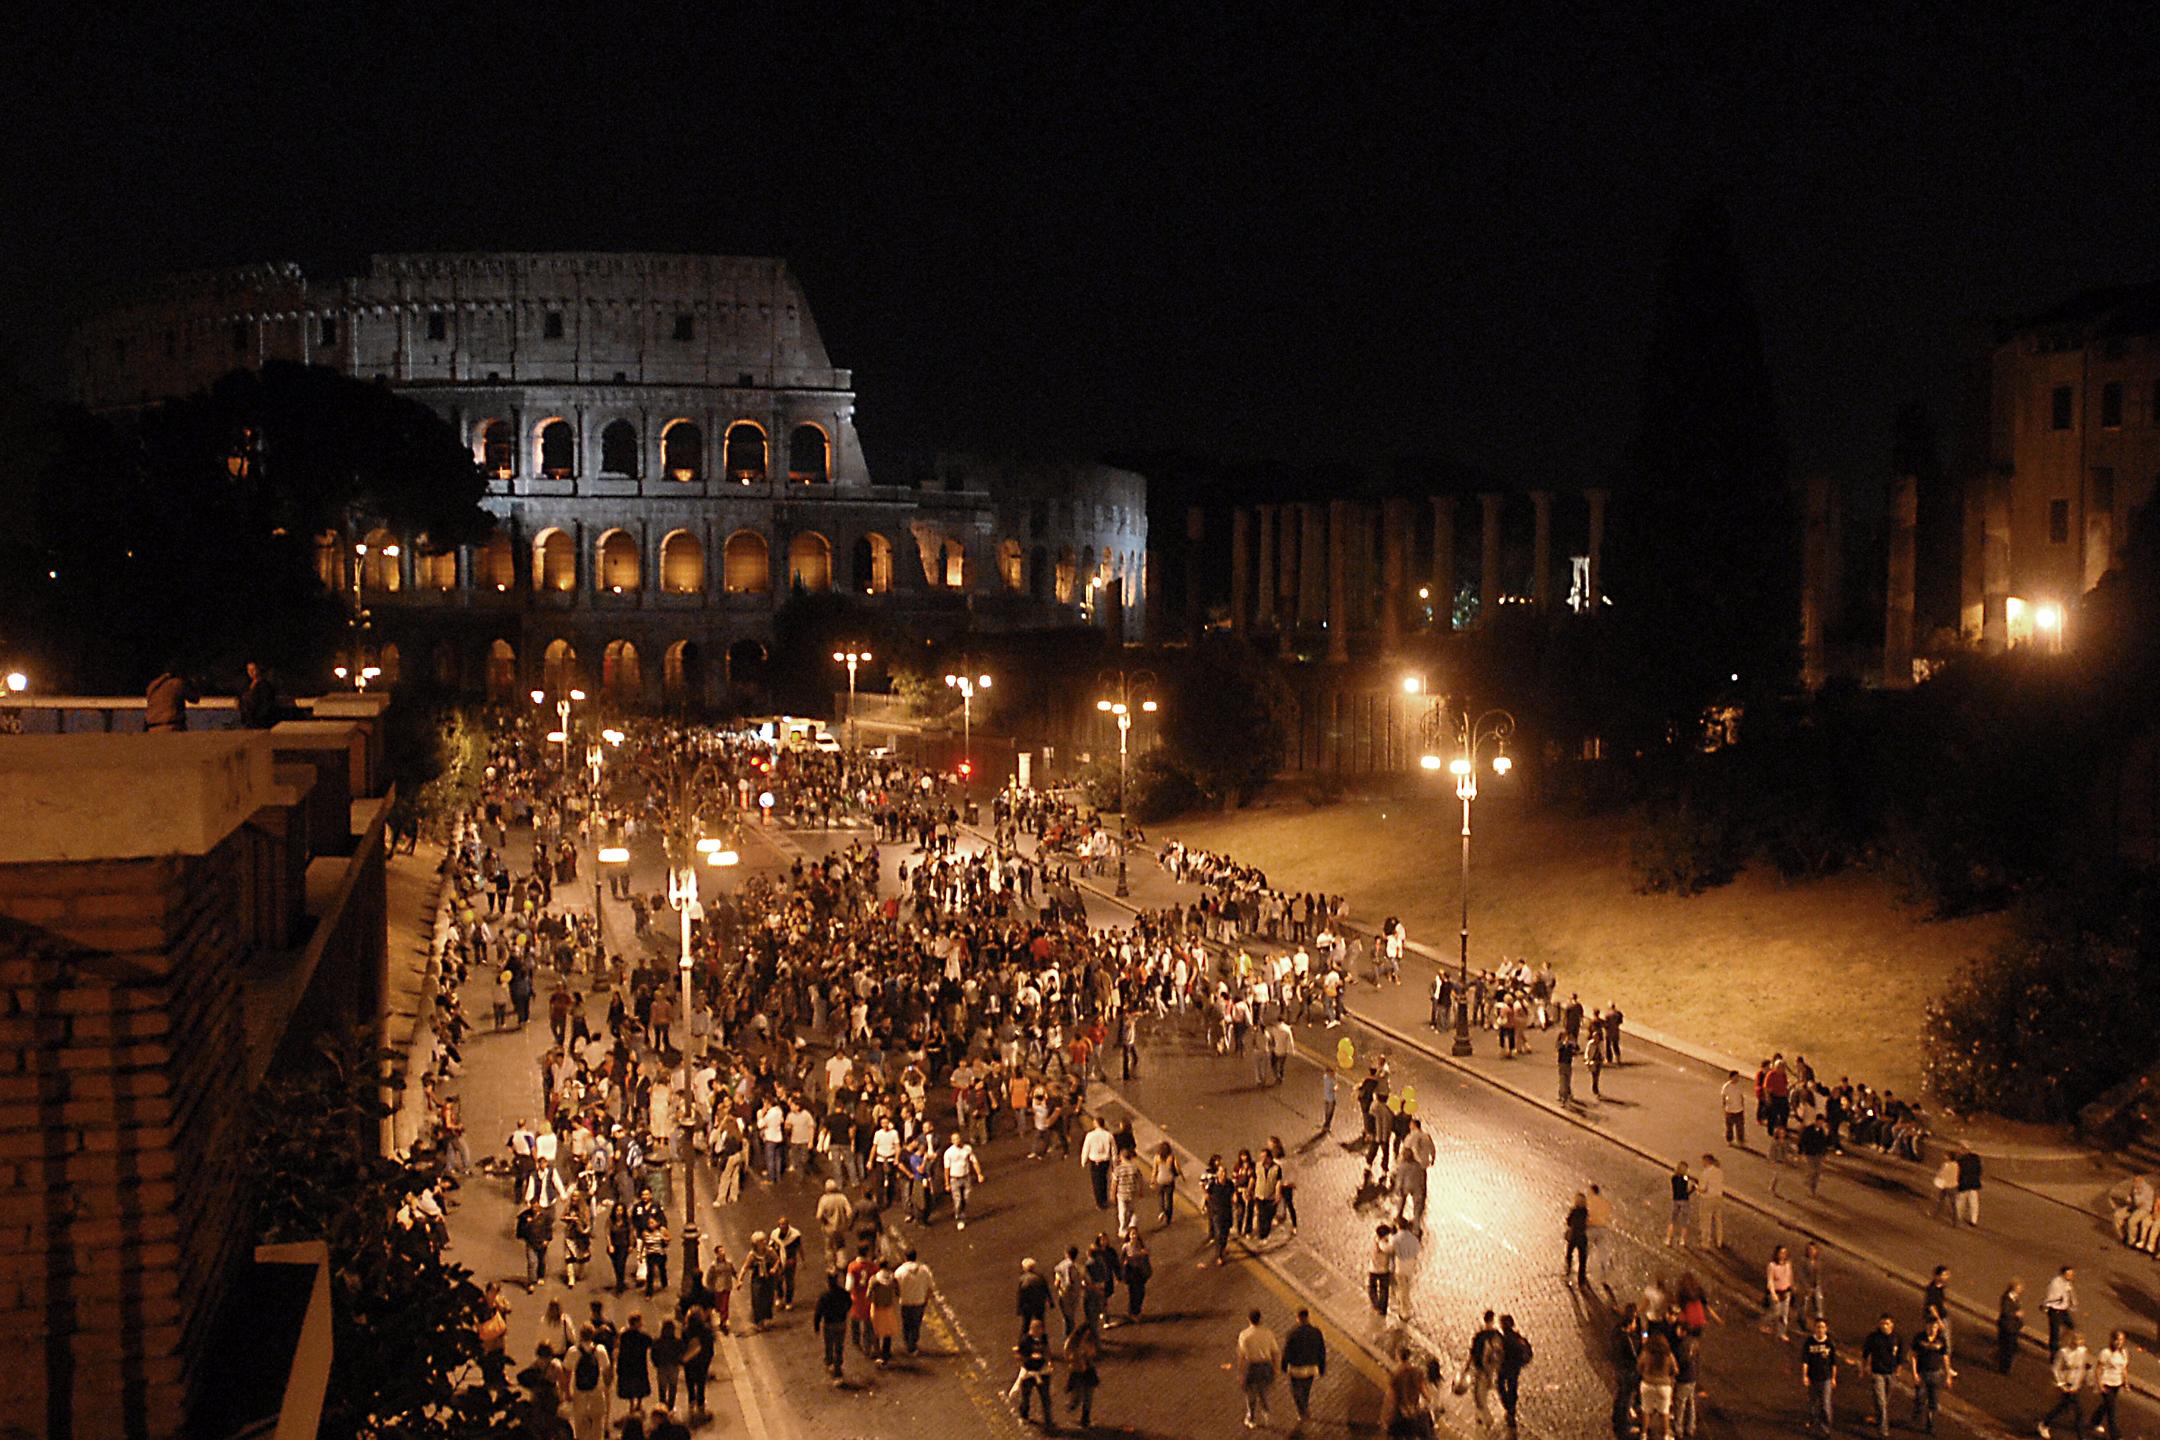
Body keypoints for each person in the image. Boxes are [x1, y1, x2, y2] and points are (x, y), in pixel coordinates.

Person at [1859, 1314, 1903, 1439]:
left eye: (1887, 1324)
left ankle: (1878, 1418)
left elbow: (1900, 1356)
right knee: (1881, 1402)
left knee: (1885, 1400)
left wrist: (1898, 1370)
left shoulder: (1897, 1338)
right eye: (1882, 1323)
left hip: (1891, 1373)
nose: (1884, 1326)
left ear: (1892, 1325)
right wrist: (1863, 1368)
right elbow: (1865, 1354)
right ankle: (1883, 1432)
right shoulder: (1873, 1338)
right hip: (1877, 1373)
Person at [1236, 1308, 1282, 1430]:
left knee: (1250, 1394)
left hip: (1252, 1366)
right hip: (1266, 1366)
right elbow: (1275, 1352)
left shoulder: (1244, 1335)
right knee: (1263, 1391)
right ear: (1260, 1319)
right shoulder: (1268, 1333)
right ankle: (1266, 1413)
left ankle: (1251, 1418)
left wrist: (1240, 1373)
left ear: (1249, 1319)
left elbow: (1241, 1356)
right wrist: (1276, 1368)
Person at [2041, 1328, 2091, 1439]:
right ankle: (2081, 1437)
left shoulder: (2083, 1351)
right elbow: (2055, 1368)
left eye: (2081, 1340)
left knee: (2063, 1407)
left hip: (2075, 1384)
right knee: (2078, 1411)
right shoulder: (2063, 1352)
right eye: (2076, 1340)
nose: (2078, 1342)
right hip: (2067, 1384)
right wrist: (2061, 1384)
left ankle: (2045, 1423)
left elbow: (2082, 1368)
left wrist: (2080, 1383)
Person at [1283, 1307, 1327, 1424]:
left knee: (1295, 1390)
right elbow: (1321, 1351)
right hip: (1311, 1368)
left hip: (1296, 1368)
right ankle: (1305, 1406)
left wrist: (1284, 1366)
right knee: (1306, 1389)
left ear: (1297, 1318)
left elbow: (1287, 1351)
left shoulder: (1292, 1333)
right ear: (1307, 1317)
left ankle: (1302, 1411)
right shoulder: (1316, 1332)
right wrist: (1321, 1367)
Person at [1909, 1315, 1950, 1432]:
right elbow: (1913, 1356)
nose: (1933, 1329)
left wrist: (1947, 1375)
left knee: (1934, 1401)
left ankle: (1930, 1424)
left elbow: (1945, 1357)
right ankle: (1918, 1410)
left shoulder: (1941, 1340)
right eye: (1931, 1326)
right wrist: (1914, 1373)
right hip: (1922, 1373)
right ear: (1927, 1326)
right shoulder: (1919, 1338)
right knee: (1920, 1398)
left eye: (1935, 1326)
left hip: (1936, 1374)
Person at [1012, 1317, 1055, 1425]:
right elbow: (1019, 1355)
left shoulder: (1044, 1338)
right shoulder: (1025, 1340)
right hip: (1029, 1371)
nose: (1036, 1332)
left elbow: (1046, 1349)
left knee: (1045, 1397)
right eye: (1034, 1329)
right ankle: (1024, 1414)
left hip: (1042, 1370)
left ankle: (1048, 1419)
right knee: (1026, 1396)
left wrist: (1049, 1361)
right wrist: (1029, 1358)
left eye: (1038, 1329)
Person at [1497, 1313, 1534, 1431]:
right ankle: (1511, 1410)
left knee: (1500, 1385)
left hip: (1504, 1368)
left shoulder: (1503, 1339)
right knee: (1512, 1388)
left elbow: (1497, 1353)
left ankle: (1508, 1407)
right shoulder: (1518, 1338)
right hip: (1515, 1368)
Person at [1801, 1317, 1838, 1434]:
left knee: (1826, 1404)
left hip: (1826, 1378)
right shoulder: (1809, 1342)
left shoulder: (1830, 1343)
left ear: (1826, 1329)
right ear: (1814, 1329)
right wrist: (1805, 1376)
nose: (1820, 1330)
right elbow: (1805, 1361)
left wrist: (1833, 1378)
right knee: (1813, 1403)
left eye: (1822, 1327)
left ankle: (1826, 1428)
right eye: (1818, 1327)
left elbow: (1834, 1363)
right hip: (1813, 1377)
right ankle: (1813, 1420)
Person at [895, 1248, 936, 1354]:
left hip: (905, 1302)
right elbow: (930, 1287)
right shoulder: (924, 1269)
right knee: (916, 1325)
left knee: (906, 1324)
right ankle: (913, 1344)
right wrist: (926, 1299)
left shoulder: (899, 1271)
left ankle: (908, 1343)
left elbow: (895, 1288)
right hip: (919, 1301)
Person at [813, 1273, 851, 1385]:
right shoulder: (843, 1293)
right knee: (839, 1348)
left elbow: (818, 1312)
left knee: (829, 1346)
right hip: (841, 1323)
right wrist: (844, 1312)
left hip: (829, 1324)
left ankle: (829, 1363)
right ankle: (838, 1371)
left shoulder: (824, 1296)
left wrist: (816, 1326)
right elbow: (849, 1303)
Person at [2093, 1328, 2130, 1439]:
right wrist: (2100, 1385)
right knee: (2111, 1410)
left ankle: (2095, 1420)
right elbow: (2098, 1369)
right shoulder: (2106, 1353)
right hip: (2106, 1383)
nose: (2119, 1342)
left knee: (2106, 1405)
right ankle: (2115, 1435)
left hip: (2116, 1383)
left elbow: (2124, 1369)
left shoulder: (2124, 1352)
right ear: (2112, 1340)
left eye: (2121, 1340)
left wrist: (2126, 1383)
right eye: (2117, 1340)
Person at [1064, 1323, 1101, 1428]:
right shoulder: (1072, 1342)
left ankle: (1085, 1419)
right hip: (1077, 1371)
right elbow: (1068, 1354)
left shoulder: (1090, 1341)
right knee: (1078, 1394)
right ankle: (1072, 1405)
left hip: (1088, 1371)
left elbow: (1093, 1353)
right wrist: (1077, 1357)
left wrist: (1087, 1353)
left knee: (1088, 1396)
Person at [616, 1312, 653, 1415]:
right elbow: (651, 1343)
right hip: (640, 1364)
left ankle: (632, 1404)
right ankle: (639, 1404)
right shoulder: (643, 1336)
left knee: (629, 1385)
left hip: (627, 1364)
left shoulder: (624, 1335)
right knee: (640, 1384)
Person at [144, 666, 192, 732]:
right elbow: (194, 698)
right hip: (172, 726)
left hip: (152, 728)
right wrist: (189, 681)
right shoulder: (177, 683)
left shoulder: (152, 686)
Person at [2044, 1266, 2077, 1355]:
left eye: (2072, 1274)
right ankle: (2053, 1353)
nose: (2071, 1276)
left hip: (2063, 1310)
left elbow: (2070, 1293)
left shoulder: (2067, 1282)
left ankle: (2060, 1345)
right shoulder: (2056, 1283)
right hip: (2055, 1310)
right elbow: (2054, 1297)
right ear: (2063, 1274)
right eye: (2069, 1274)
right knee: (2055, 1332)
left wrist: (2073, 1303)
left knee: (2071, 1327)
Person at [238, 660, 279, 728]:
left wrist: (258, 717)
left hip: (259, 721)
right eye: (249, 670)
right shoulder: (247, 685)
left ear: (259, 670)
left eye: (253, 669)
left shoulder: (265, 686)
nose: (251, 672)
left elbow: (266, 703)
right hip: (249, 720)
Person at [1996, 1279, 2025, 1375]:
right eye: (2019, 1287)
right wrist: (2016, 1314)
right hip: (2007, 1326)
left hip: (2013, 1327)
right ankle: (2004, 1368)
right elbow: (2005, 1311)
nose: (2021, 1290)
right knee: (2007, 1347)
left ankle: (2004, 1365)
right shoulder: (2006, 1298)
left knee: (2012, 1348)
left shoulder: (2016, 1298)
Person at [1565, 1192, 1590, 1286]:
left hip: (1573, 1236)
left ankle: (1568, 1270)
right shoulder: (1585, 1212)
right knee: (1582, 1259)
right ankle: (1581, 1279)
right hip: (1582, 1237)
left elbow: (1568, 1221)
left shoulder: (1574, 1211)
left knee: (1569, 1254)